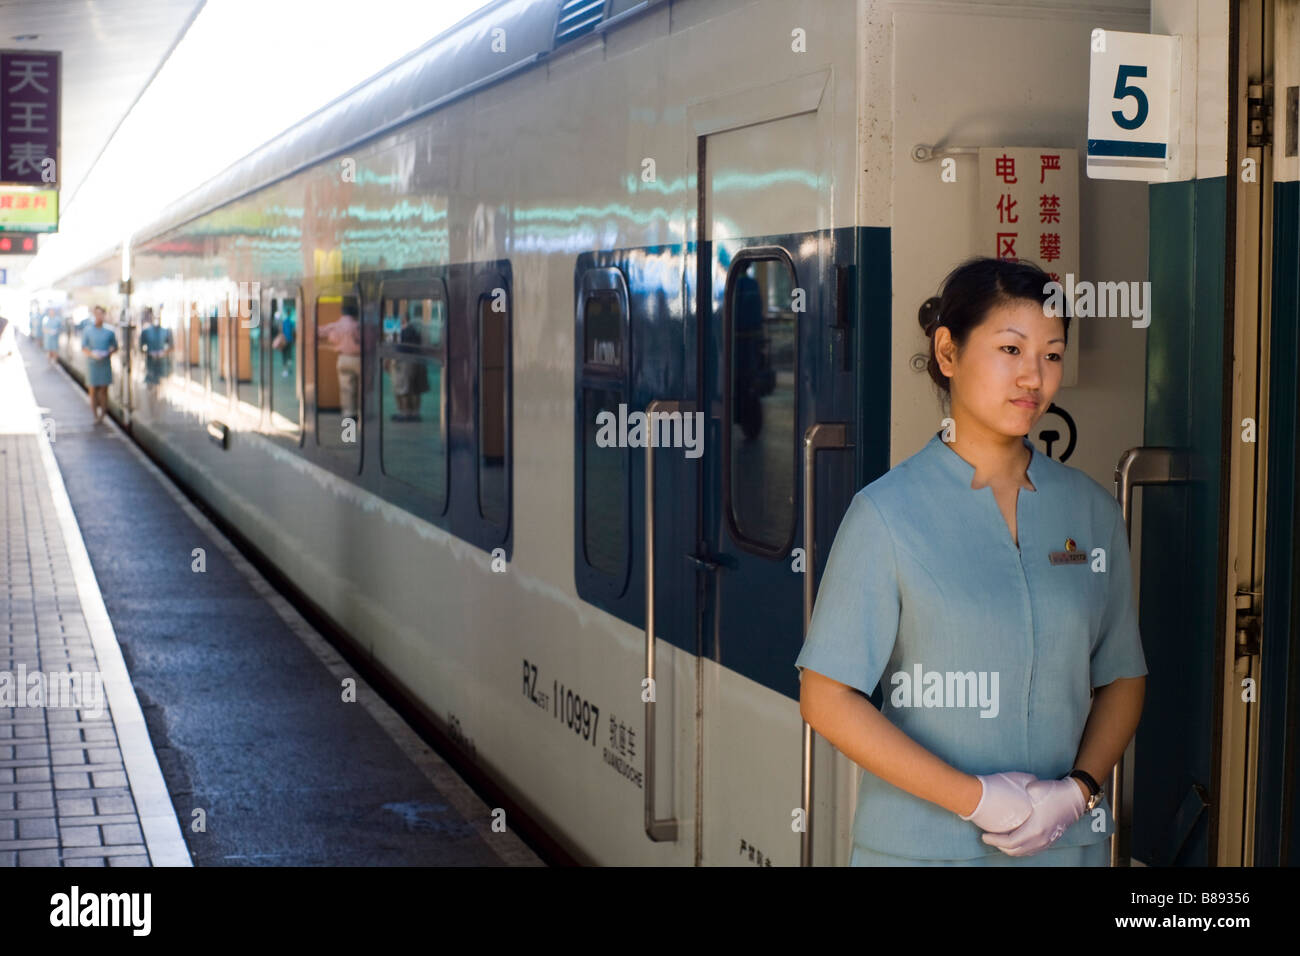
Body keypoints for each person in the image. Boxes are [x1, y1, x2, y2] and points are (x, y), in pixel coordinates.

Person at [795, 256, 1147, 867]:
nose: (1033, 376)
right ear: (949, 353)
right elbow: (826, 697)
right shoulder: (886, 514)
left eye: (1053, 354)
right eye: (1011, 349)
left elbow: (1123, 675)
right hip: (920, 851)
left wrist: (1079, 789)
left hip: (1065, 847)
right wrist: (975, 799)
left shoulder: (1091, 513)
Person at [317, 309, 361, 423]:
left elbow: (318, 332)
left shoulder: (335, 326)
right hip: (358, 358)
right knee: (362, 388)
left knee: (346, 388)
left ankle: (349, 414)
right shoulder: (357, 325)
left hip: (343, 359)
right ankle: (361, 411)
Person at [81, 305, 119, 424]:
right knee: (92, 390)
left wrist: (108, 352)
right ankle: (95, 415)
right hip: (92, 364)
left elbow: (115, 347)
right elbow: (84, 347)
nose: (99, 316)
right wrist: (93, 354)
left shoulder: (110, 331)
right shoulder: (87, 330)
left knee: (103, 390)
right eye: (96, 314)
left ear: (104, 315)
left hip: (104, 363)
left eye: (101, 314)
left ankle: (103, 415)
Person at [139, 306, 173, 387]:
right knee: (151, 387)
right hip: (150, 364)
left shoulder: (166, 331)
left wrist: (163, 353)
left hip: (163, 364)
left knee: (161, 387)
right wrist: (150, 353)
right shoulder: (146, 331)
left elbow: (171, 347)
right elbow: (141, 348)